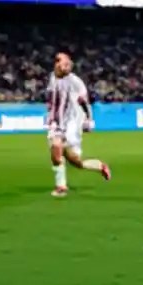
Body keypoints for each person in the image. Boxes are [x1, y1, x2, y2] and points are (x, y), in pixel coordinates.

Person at [45, 51, 111, 197]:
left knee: (58, 150)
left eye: (67, 63)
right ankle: (100, 166)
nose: (66, 66)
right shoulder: (52, 77)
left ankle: (61, 187)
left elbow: (84, 101)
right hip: (54, 122)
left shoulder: (75, 81)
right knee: (74, 162)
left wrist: (89, 119)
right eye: (62, 62)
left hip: (69, 124)